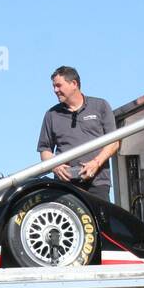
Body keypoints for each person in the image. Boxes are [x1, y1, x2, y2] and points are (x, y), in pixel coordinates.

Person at [36, 65, 120, 202]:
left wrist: (95, 163)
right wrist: (54, 166)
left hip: (97, 182)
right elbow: (44, 150)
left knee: (99, 223)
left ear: (74, 84)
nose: (55, 90)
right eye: (54, 87)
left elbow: (114, 142)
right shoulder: (51, 114)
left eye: (58, 86)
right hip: (65, 185)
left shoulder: (100, 106)